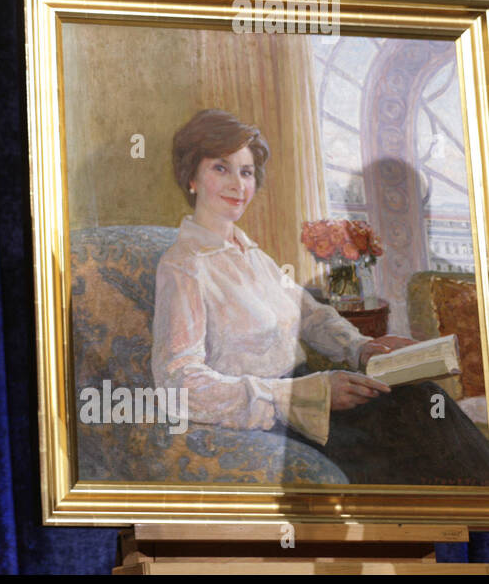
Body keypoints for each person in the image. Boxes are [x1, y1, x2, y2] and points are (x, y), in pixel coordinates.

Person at [151, 108, 489, 485]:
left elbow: (309, 315)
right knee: (417, 421)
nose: (238, 184)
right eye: (221, 168)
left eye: (246, 172)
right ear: (191, 177)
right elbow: (178, 384)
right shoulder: (184, 267)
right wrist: (302, 395)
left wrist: (361, 348)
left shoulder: (253, 256)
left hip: (315, 391)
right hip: (278, 416)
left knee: (422, 396)